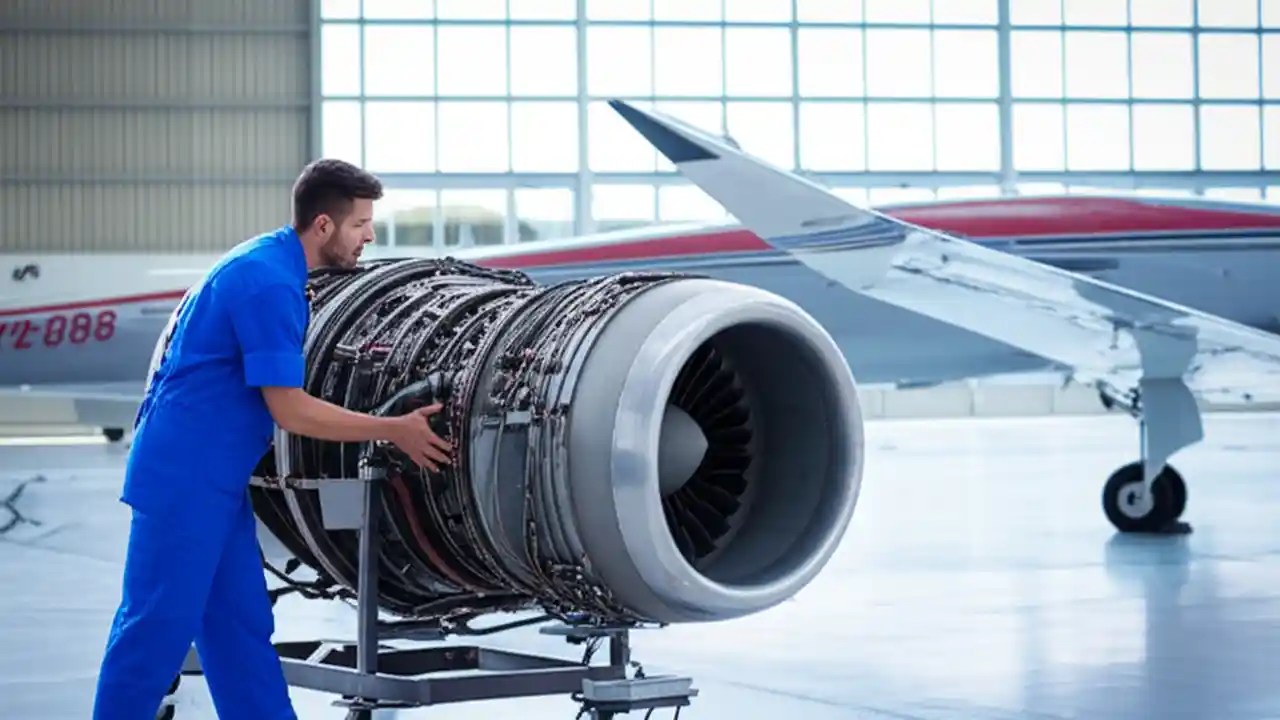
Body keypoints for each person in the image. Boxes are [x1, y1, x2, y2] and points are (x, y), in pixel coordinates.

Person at [91, 158, 452, 719]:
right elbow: (289, 409)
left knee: (238, 625)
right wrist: (392, 429)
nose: (370, 236)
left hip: (214, 481)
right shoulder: (268, 284)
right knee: (155, 626)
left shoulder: (268, 260)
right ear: (325, 226)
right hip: (186, 480)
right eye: (360, 224)